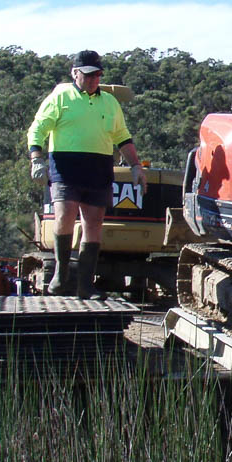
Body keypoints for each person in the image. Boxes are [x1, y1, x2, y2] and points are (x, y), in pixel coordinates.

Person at [27, 50, 146, 298]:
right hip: (65, 168)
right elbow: (38, 128)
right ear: (75, 73)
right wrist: (37, 159)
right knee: (65, 215)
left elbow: (122, 136)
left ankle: (85, 285)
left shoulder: (110, 102)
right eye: (88, 75)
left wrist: (135, 166)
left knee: (93, 225)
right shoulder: (61, 97)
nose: (93, 80)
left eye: (97, 75)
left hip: (98, 169)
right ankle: (61, 275)